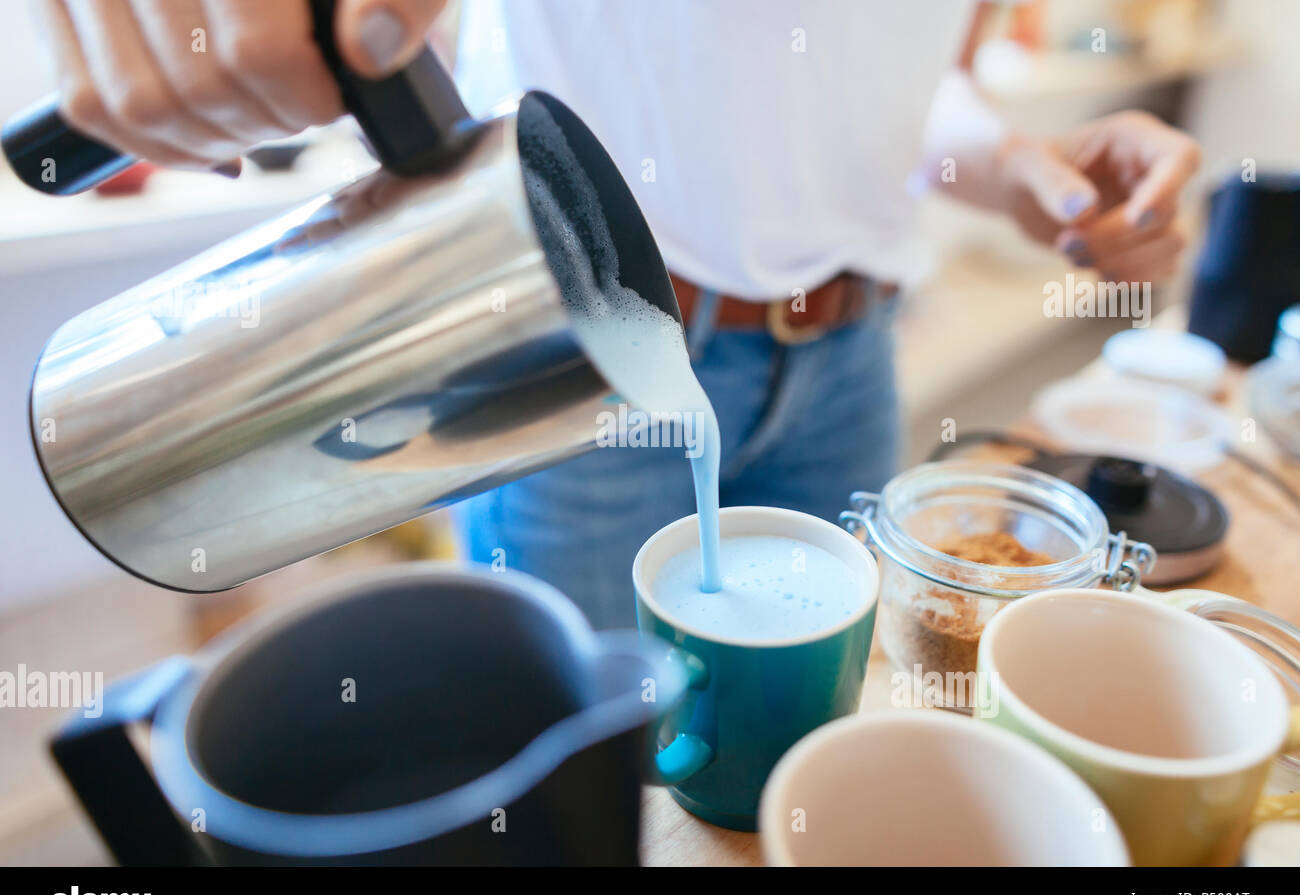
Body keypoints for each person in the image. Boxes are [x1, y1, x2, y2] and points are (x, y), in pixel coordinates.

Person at [40, 0, 1199, 627]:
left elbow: (900, 89)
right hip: (571, 367)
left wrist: (1016, 165)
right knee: (590, 776)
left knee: (784, 744)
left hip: (849, 354)